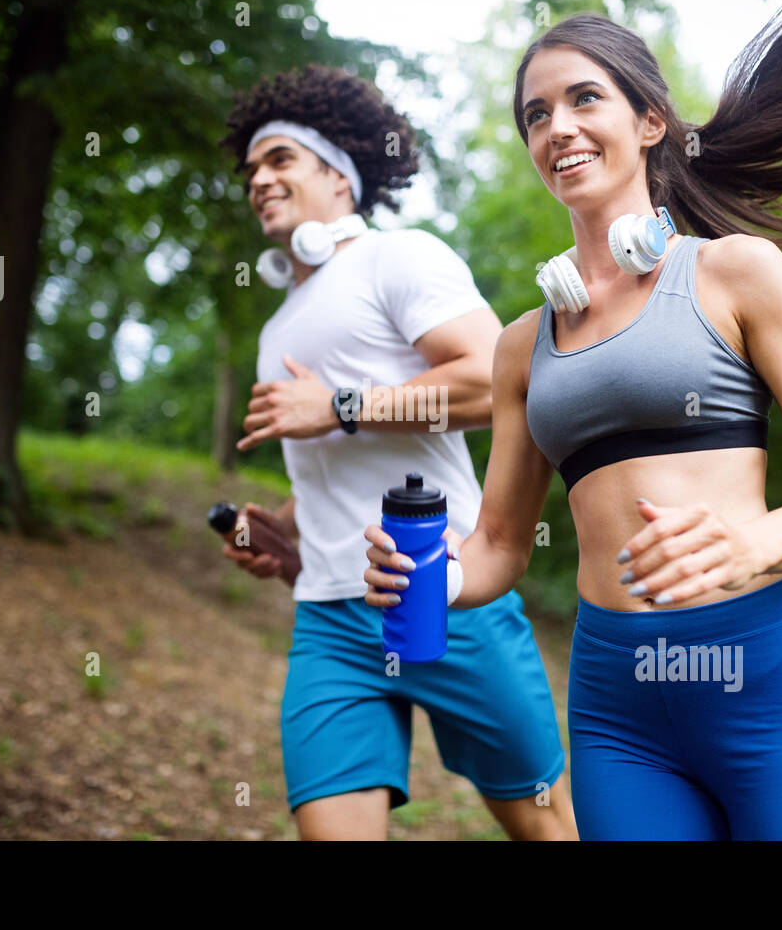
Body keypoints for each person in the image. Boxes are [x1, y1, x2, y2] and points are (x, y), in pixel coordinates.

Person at [364, 0, 782, 839]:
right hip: (617, 709)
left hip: (769, 674)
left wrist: (757, 539)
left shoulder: (733, 273)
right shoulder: (521, 343)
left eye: (583, 98)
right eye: (536, 114)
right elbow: (497, 544)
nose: (557, 126)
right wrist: (438, 577)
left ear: (650, 123)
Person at [218, 64, 577, 840]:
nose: (259, 179)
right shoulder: (279, 327)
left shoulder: (397, 258)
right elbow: (334, 464)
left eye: (279, 159)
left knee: (547, 828)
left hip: (443, 587)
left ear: (339, 176)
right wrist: (285, 529)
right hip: (329, 619)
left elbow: (492, 382)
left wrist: (341, 406)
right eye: (251, 169)